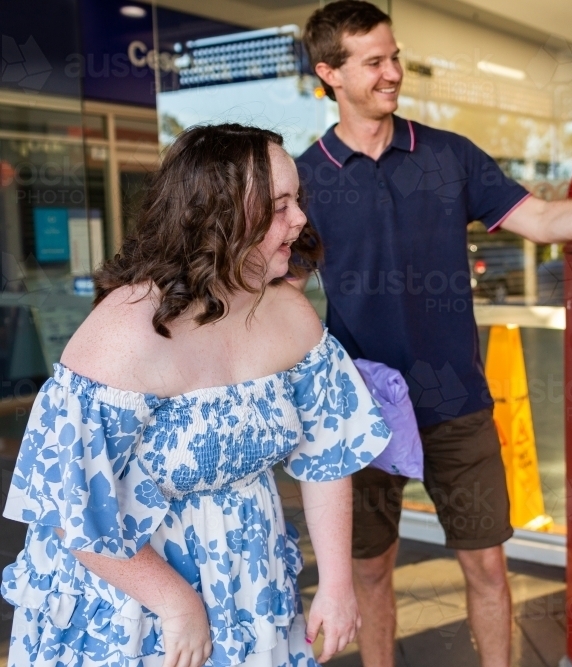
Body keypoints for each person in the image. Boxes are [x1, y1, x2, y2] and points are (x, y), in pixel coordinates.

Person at [297, 3, 572, 665]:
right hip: (357, 410)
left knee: (485, 566)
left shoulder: (447, 155)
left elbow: (538, 219)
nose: (393, 72)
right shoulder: (305, 178)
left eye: (395, 56)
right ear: (329, 73)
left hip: (457, 404)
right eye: (375, 62)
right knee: (369, 571)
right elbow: (279, 289)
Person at [1, 123, 391, 667]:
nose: (299, 219)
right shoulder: (126, 329)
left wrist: (337, 583)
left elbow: (329, 455)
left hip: (250, 582)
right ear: (218, 216)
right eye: (278, 206)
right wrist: (176, 603)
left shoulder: (288, 314)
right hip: (129, 600)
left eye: (296, 200)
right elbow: (72, 507)